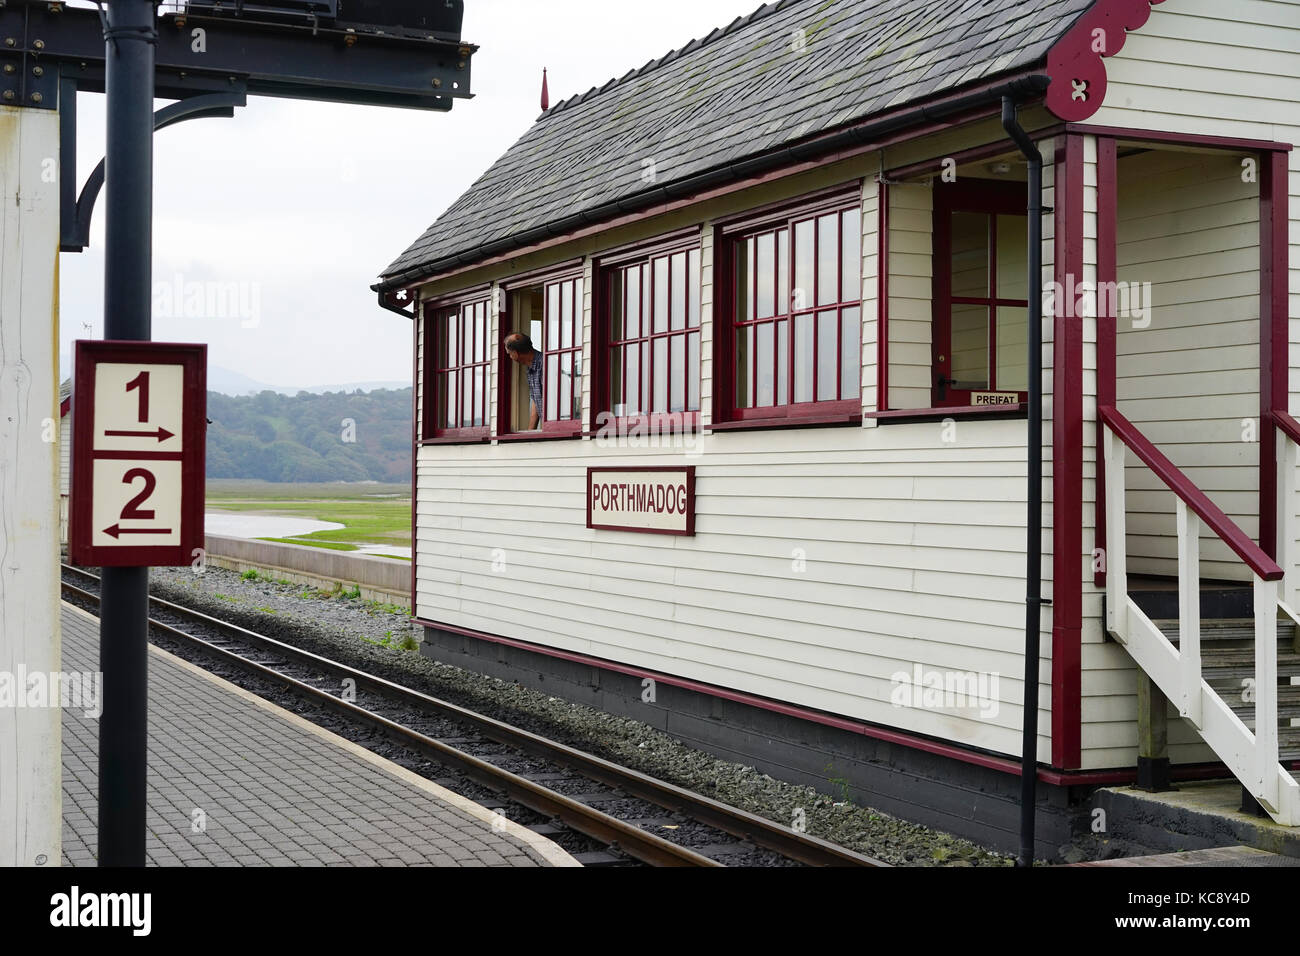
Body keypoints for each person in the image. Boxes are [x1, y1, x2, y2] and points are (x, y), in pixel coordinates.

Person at [505, 332, 543, 430]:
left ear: (515, 353)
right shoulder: (530, 368)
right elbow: (536, 400)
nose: (510, 357)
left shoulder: (544, 364)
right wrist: (530, 433)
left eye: (509, 353)